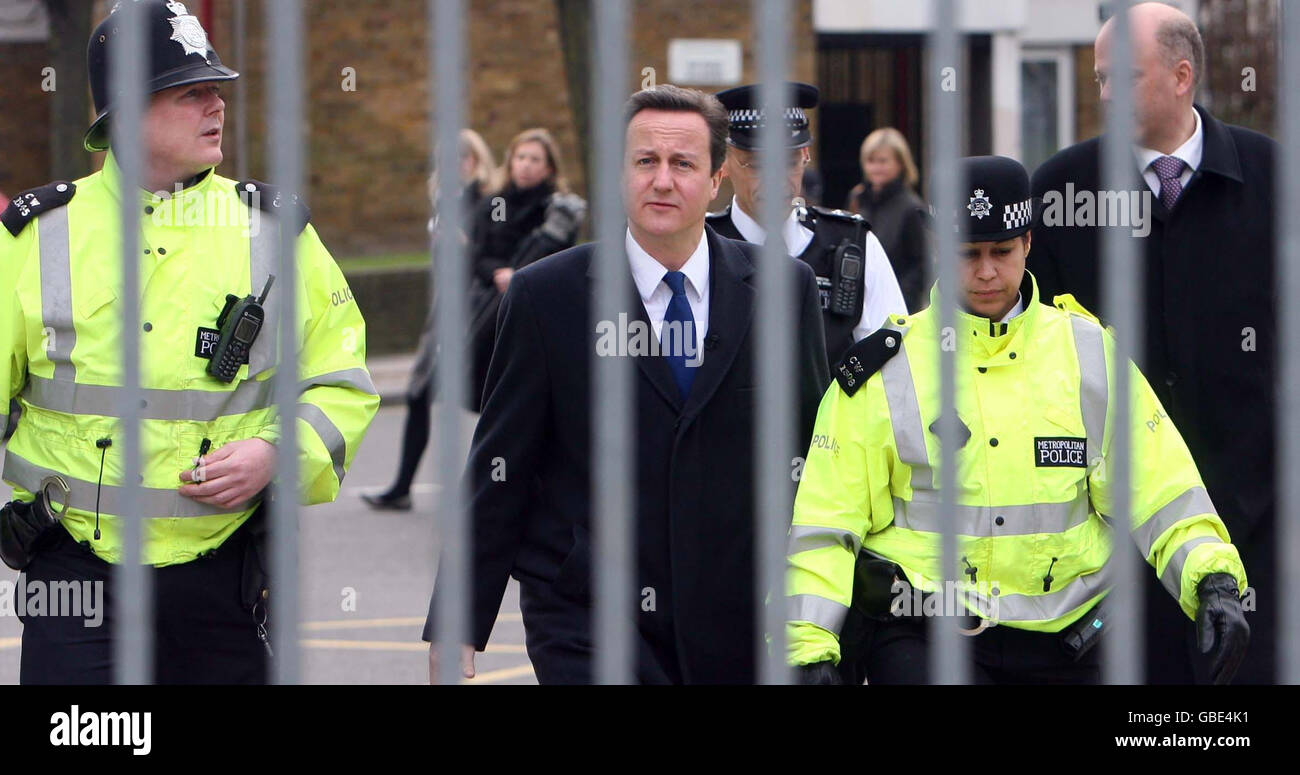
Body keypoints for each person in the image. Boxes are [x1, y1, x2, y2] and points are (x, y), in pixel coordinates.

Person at [0, 0, 378, 684]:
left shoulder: (274, 232)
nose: (217, 107)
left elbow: (342, 380)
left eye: (218, 91)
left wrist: (274, 452)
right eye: (191, 92)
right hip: (74, 575)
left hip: (224, 580)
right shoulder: (35, 236)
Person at [786, 155, 1249, 686]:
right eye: (968, 254)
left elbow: (1161, 489)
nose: (986, 272)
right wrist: (809, 647)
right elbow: (827, 521)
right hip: (924, 634)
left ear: (1027, 242)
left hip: (1069, 638)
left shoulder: (1090, 354)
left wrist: (1213, 579)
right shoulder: (884, 369)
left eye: (1001, 252)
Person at [423, 84, 830, 684]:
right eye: (645, 162)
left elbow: (818, 463)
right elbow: (498, 467)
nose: (662, 181)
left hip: (738, 617)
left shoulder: (783, 289)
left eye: (683, 164)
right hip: (587, 617)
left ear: (717, 177)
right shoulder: (546, 296)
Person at [1029, 2, 1278, 684]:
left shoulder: (1273, 181)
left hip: (1256, 529)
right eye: (1099, 78)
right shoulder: (1058, 193)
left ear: (1181, 75)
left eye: (1123, 77)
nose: (1104, 95)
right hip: (1111, 548)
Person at [706, 82, 906, 369]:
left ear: (806, 157)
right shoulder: (701, 246)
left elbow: (895, 361)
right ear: (724, 164)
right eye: (756, 164)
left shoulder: (853, 244)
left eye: (789, 161)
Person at [361, 128, 494, 512]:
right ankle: (402, 486)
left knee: (477, 395)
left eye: (461, 159)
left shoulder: (484, 201)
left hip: (472, 311)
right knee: (422, 394)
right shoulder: (444, 200)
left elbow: (485, 256)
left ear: (475, 161)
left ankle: (501, 481)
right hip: (443, 311)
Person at [464, 128, 586, 414]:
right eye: (521, 157)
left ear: (549, 168)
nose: (527, 165)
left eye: (535, 159)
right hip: (492, 302)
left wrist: (519, 275)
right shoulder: (493, 204)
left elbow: (559, 258)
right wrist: (499, 273)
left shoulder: (557, 210)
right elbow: (477, 256)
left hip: (538, 308)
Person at [845, 128, 930, 313]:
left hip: (895, 305)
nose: (875, 167)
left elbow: (921, 264)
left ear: (900, 164)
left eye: (883, 161)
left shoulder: (911, 206)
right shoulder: (857, 198)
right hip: (858, 302)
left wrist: (900, 303)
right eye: (870, 161)